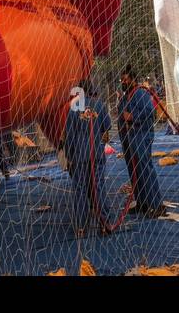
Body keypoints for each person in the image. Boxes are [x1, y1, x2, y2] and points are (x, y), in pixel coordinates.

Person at [63, 79, 112, 237]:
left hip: (79, 157)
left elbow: (69, 136)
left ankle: (81, 228)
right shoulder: (100, 105)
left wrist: (69, 156)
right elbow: (106, 130)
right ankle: (104, 224)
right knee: (99, 189)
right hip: (96, 155)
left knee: (80, 191)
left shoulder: (74, 108)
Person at [117, 67, 164, 218]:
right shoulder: (125, 97)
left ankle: (157, 205)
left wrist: (132, 117)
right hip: (129, 138)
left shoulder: (140, 93)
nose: (123, 82)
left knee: (145, 169)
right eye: (122, 80)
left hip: (141, 136)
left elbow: (150, 110)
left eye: (126, 79)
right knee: (134, 171)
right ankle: (142, 202)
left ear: (133, 79)